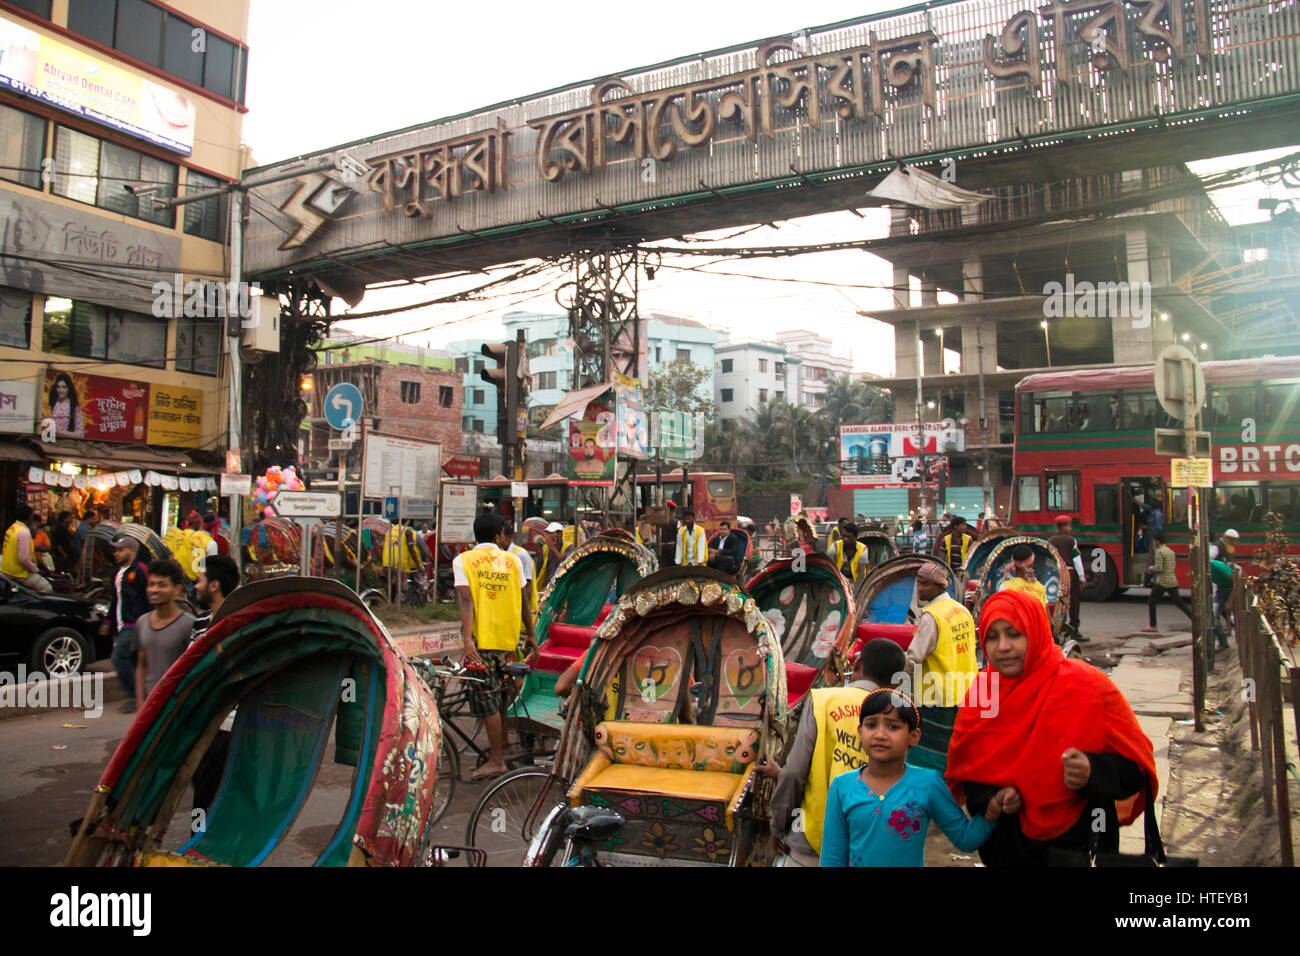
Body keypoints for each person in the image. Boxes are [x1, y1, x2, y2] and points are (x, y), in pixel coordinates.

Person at [946, 590, 1158, 866]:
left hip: (1078, 848)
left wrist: (1092, 771)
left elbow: (1135, 770)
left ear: (1036, 632)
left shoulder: (1088, 686)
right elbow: (970, 770)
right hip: (1006, 851)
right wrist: (993, 799)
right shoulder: (982, 694)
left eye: (1014, 633)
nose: (1003, 647)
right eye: (992, 636)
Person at [819, 688, 1006, 867]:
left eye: (893, 726)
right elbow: (832, 857)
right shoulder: (842, 787)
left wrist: (990, 814)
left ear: (914, 736)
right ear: (860, 732)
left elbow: (965, 839)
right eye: (871, 725)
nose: (880, 734)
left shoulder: (928, 784)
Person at [763, 640, 907, 866]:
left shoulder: (823, 701)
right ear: (897, 680)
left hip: (812, 843)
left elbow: (795, 774)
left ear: (857, 664)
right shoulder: (900, 717)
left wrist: (778, 825)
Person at [453, 512, 535, 780]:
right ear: (499, 534)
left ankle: (497, 760)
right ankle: (504, 745)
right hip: (509, 641)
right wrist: (531, 634)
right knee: (501, 695)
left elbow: (466, 600)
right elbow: (524, 602)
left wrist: (467, 639)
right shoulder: (512, 560)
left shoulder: (463, 561)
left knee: (486, 699)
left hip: (482, 643)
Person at [904, 562, 978, 771]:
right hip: (963, 694)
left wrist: (896, 683)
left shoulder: (933, 617)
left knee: (929, 757)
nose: (920, 589)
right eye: (919, 583)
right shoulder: (962, 611)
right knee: (952, 751)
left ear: (939, 586)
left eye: (925, 585)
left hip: (936, 697)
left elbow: (913, 658)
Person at [190, 555, 240, 814]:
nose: (194, 586)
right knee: (200, 793)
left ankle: (203, 847)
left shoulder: (241, 624)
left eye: (199, 580)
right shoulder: (199, 624)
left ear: (214, 585)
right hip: (200, 726)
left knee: (211, 800)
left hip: (227, 729)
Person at [134, 559, 195, 705]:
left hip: (176, 707)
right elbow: (142, 665)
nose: (154, 590)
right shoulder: (142, 622)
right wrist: (140, 702)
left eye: (162, 585)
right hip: (150, 706)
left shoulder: (189, 625)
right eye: (152, 584)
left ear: (177, 589)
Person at [102, 534, 149, 711]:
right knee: (136, 661)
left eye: (121, 550)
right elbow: (115, 599)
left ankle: (134, 696)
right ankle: (141, 696)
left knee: (119, 657)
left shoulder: (140, 570)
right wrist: (108, 620)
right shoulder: (118, 574)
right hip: (122, 625)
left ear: (132, 551)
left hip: (135, 624)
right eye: (116, 550)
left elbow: (149, 594)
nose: (116, 554)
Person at [1141, 530, 1191, 632]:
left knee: (1151, 602)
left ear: (1158, 541)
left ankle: (1153, 626)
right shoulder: (1170, 551)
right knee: (1179, 603)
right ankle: (1194, 620)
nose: (1154, 542)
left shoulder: (1159, 551)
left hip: (1162, 581)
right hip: (1172, 580)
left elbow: (1159, 568)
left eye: (1154, 540)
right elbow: (1173, 567)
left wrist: (1151, 568)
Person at [1047, 515, 1088, 640]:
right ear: (1063, 527)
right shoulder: (1071, 540)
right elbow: (1077, 560)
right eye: (1068, 525)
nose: (1070, 528)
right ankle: (1074, 630)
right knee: (1074, 602)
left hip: (1057, 574)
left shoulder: (1050, 541)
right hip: (1070, 573)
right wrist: (1082, 577)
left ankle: (1058, 629)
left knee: (1059, 601)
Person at [2, 504, 52, 593]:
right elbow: (23, 559)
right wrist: (36, 570)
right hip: (18, 572)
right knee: (46, 588)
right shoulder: (24, 533)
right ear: (29, 517)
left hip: (6, 569)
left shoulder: (12, 528)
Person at [500, 518, 538, 620]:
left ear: (509, 537)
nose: (498, 539)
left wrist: (520, 609)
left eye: (501, 536)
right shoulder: (500, 554)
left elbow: (527, 585)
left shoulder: (521, 554)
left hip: (521, 613)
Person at [47, 371, 84, 438]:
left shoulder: (74, 406)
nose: (61, 390)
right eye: (58, 387)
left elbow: (80, 434)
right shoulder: (52, 404)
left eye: (64, 387)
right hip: (50, 442)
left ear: (68, 388)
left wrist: (59, 432)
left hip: (66, 444)